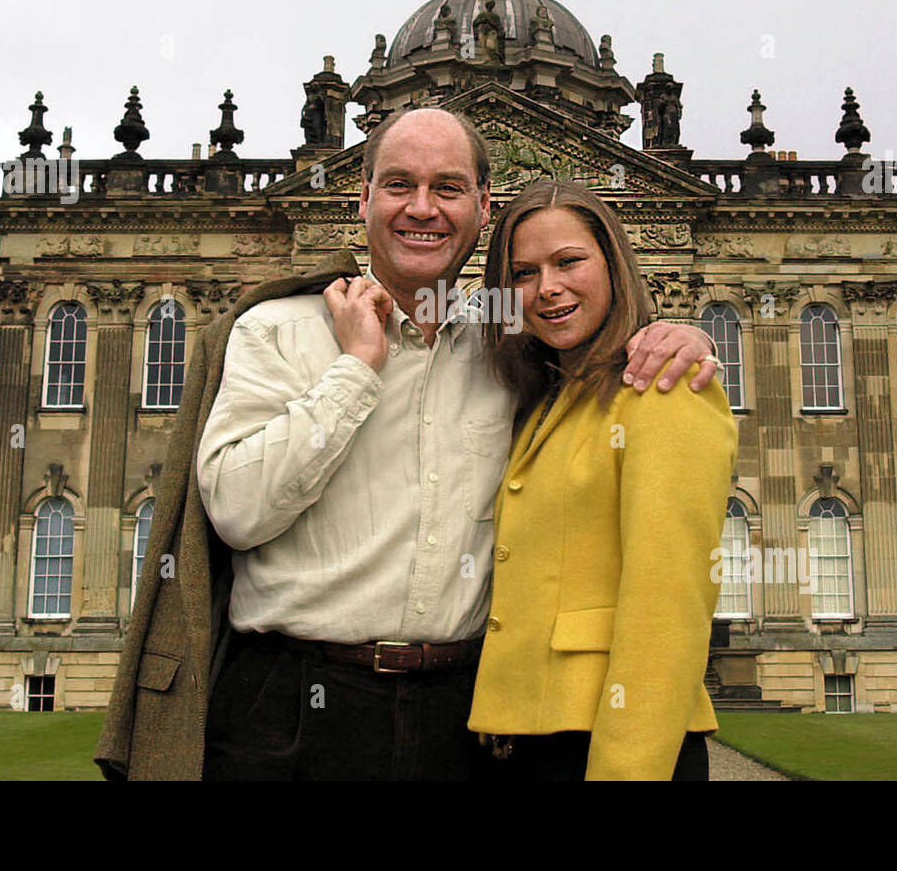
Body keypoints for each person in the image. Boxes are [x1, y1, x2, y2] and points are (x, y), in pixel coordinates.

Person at [193, 107, 720, 780]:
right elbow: (236, 514)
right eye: (398, 185)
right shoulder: (277, 329)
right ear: (361, 198)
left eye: (447, 187)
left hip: (463, 719)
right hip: (293, 712)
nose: (423, 208)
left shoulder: (508, 348)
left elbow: (603, 359)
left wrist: (684, 340)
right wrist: (356, 367)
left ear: (481, 205)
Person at [466, 179, 738, 780]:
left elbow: (666, 613)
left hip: (605, 746)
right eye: (522, 273)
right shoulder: (546, 397)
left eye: (569, 261)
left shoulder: (665, 387)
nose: (548, 288)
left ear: (612, 266)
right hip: (518, 741)